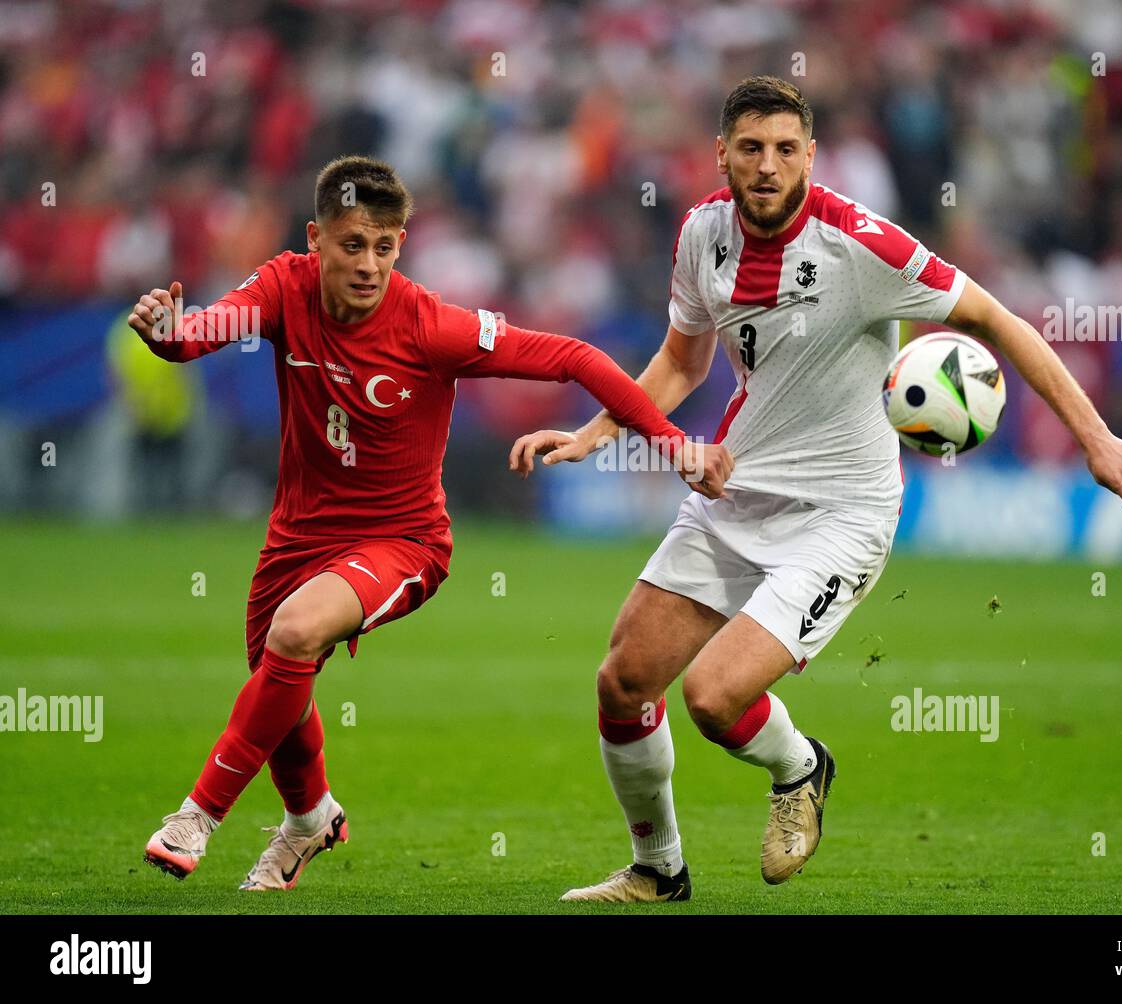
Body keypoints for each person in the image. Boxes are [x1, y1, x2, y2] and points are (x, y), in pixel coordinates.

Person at [510, 76, 1122, 902]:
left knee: (713, 697)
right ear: (722, 156)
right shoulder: (703, 234)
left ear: (811, 154)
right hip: (737, 494)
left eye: (785, 149)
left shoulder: (863, 246)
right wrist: (599, 431)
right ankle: (658, 870)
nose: (769, 166)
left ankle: (803, 768)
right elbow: (682, 360)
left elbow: (997, 320)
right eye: (751, 149)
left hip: (842, 515)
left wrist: (1095, 439)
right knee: (623, 682)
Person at [133, 155, 731, 891]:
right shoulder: (282, 286)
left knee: (293, 636)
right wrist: (169, 334)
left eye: (385, 248)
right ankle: (311, 818)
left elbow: (572, 357)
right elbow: (204, 333)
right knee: (278, 683)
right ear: (316, 239)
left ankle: (197, 816)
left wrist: (672, 443)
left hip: (401, 542)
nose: (368, 265)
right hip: (296, 535)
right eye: (353, 245)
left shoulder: (430, 326)